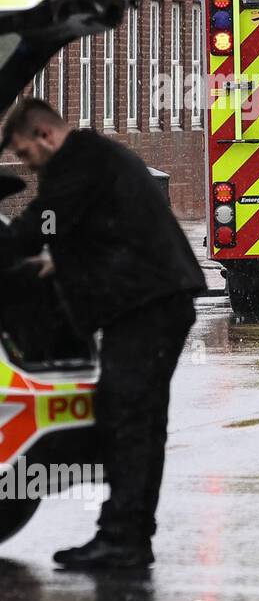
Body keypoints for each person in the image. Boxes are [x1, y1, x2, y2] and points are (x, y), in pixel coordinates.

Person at [0, 97, 204, 570]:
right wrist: (57, 261)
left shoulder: (80, 162)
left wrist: (13, 246)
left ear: (45, 135)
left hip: (146, 306)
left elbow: (41, 224)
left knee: (131, 420)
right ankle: (125, 535)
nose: (27, 165)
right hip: (152, 301)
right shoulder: (97, 158)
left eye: (26, 155)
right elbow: (89, 231)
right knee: (135, 419)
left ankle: (124, 540)